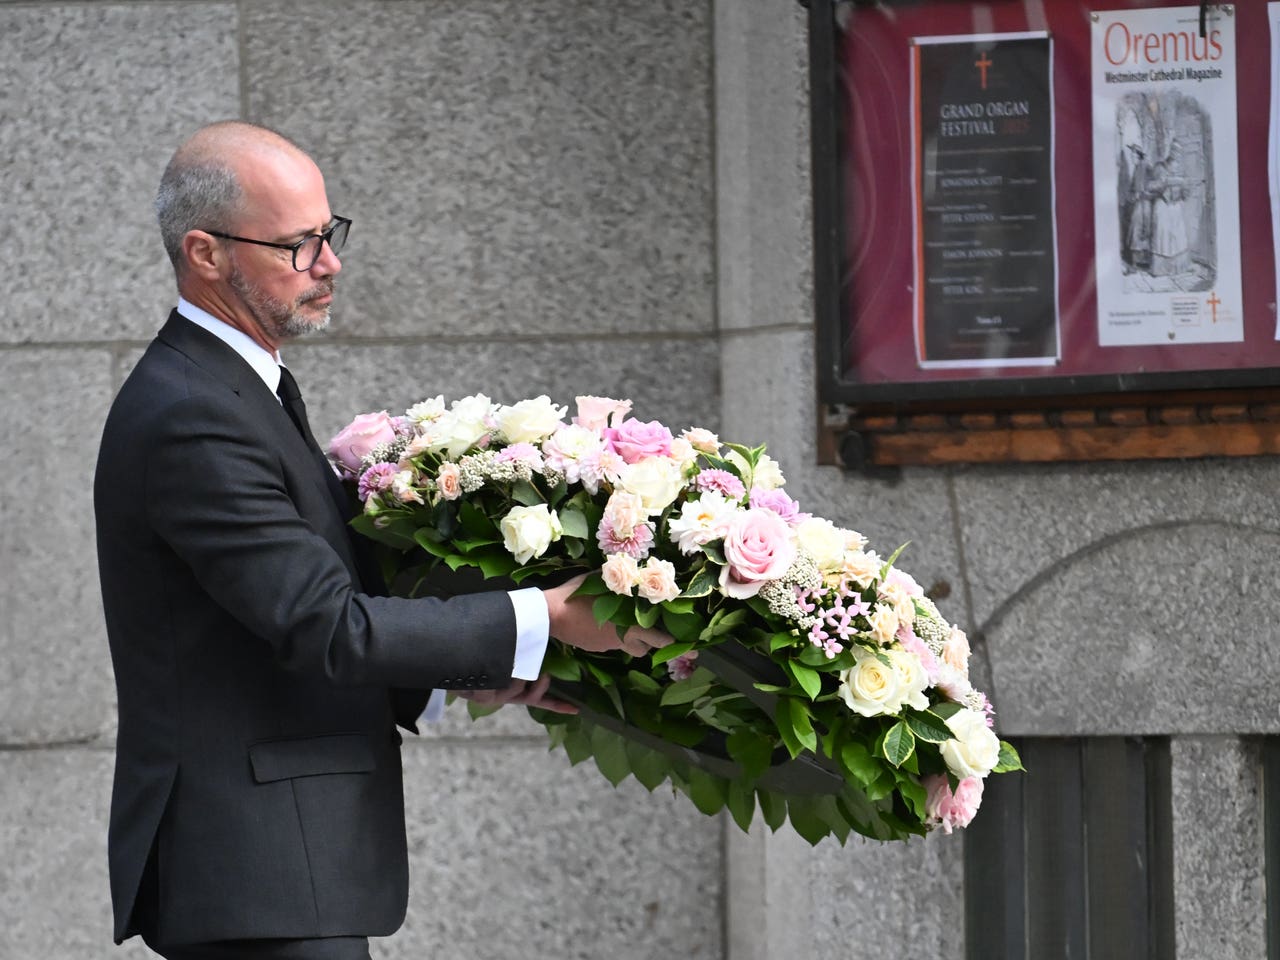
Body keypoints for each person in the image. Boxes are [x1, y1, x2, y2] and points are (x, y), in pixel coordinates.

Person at [93, 120, 669, 960]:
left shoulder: (231, 387)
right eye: (297, 245)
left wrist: (475, 668)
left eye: (329, 233)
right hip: (257, 874)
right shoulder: (193, 412)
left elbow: (281, 622)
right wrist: (546, 616)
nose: (329, 263)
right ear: (205, 254)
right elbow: (327, 625)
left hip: (274, 870)